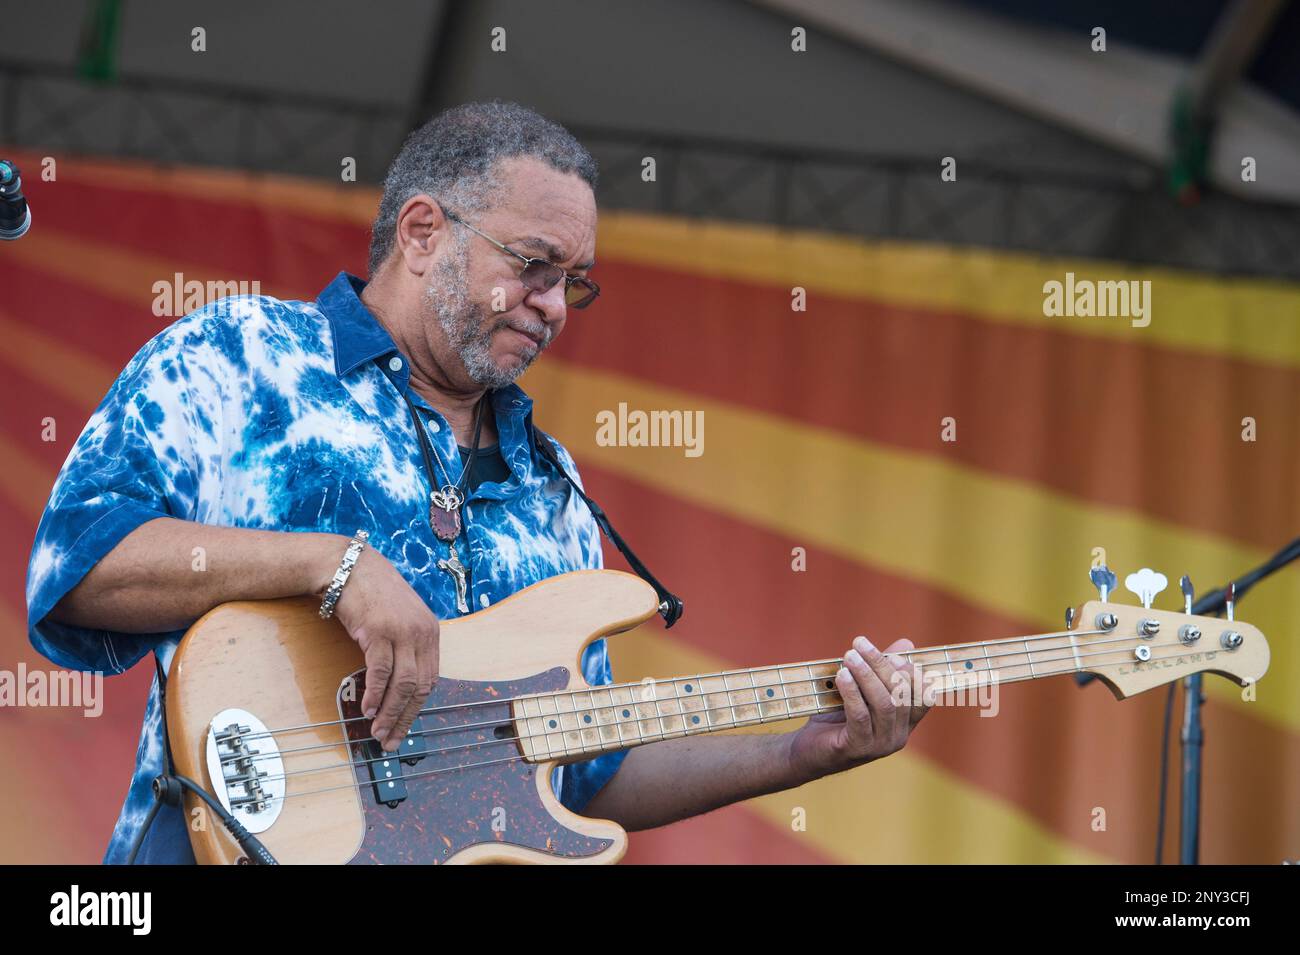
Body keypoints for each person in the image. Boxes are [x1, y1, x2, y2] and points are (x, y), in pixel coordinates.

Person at [26, 100, 928, 864]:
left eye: (574, 284)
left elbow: (585, 772)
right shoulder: (242, 356)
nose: (551, 305)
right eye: (533, 266)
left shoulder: (555, 489)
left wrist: (804, 752)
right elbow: (76, 565)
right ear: (423, 232)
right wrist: (335, 565)